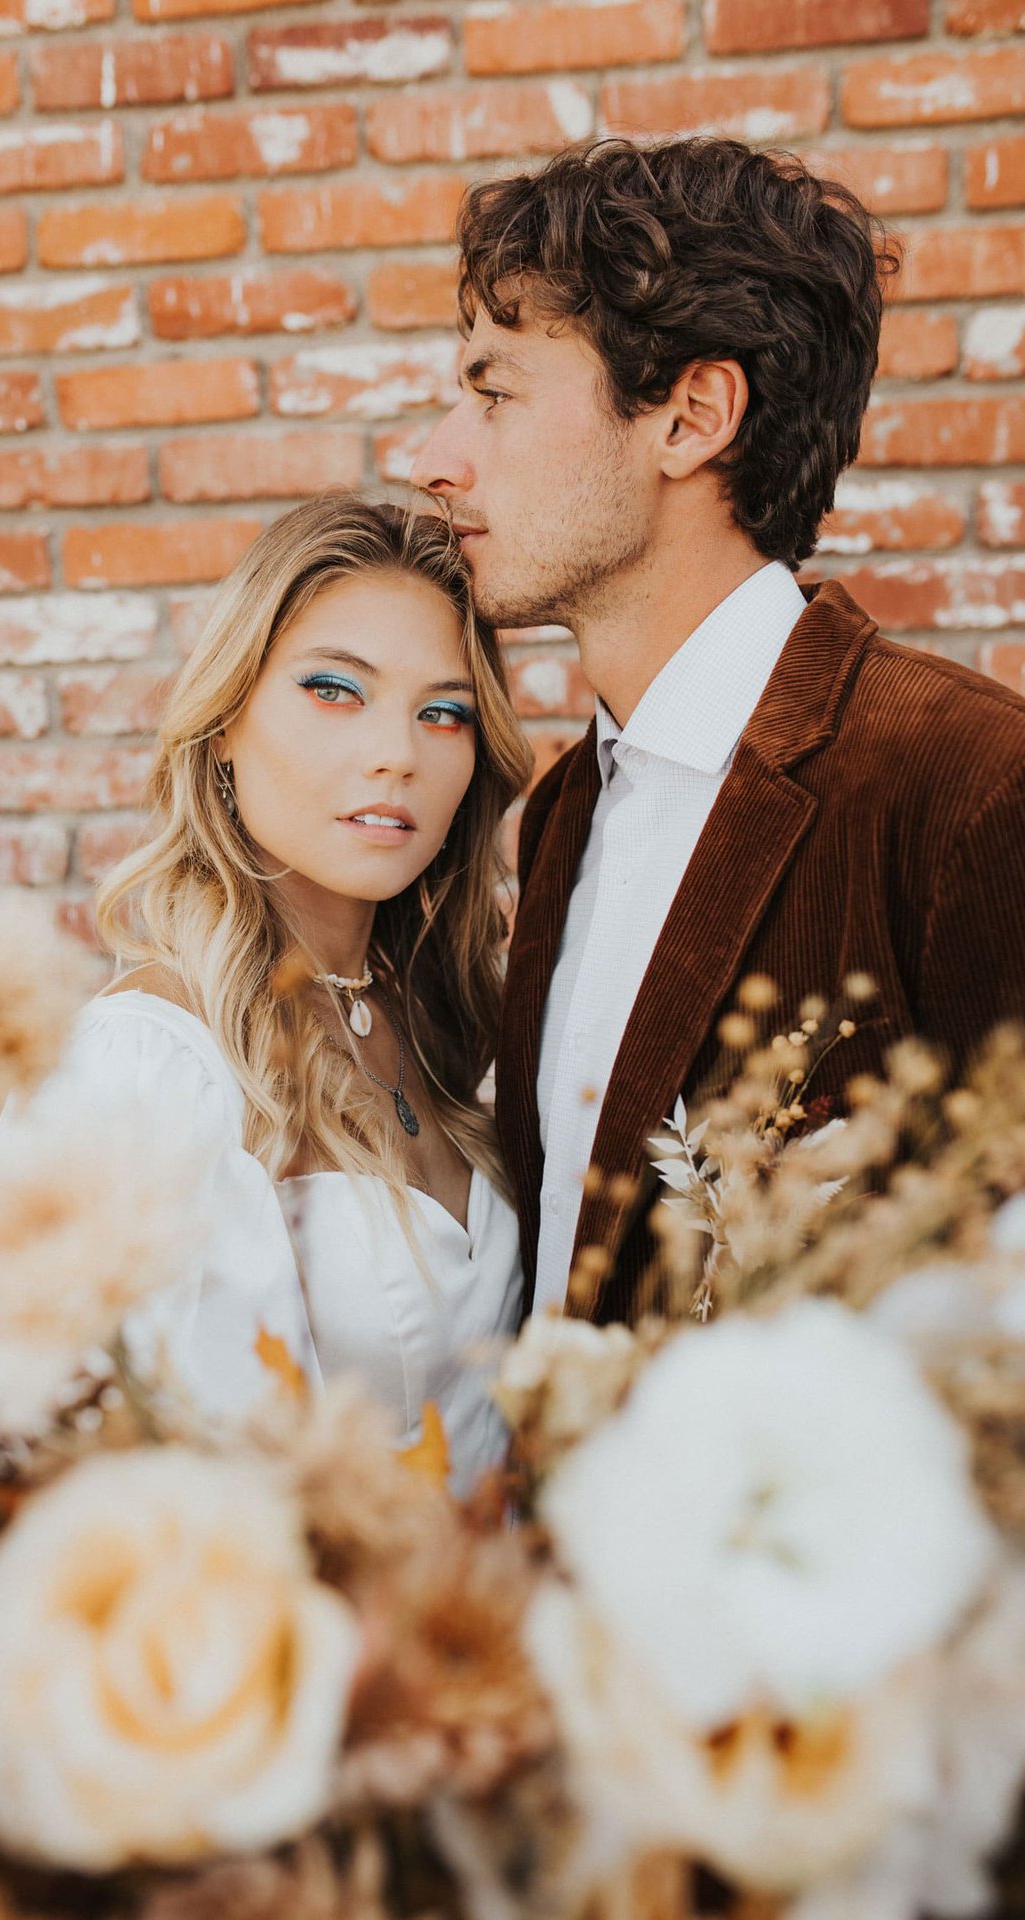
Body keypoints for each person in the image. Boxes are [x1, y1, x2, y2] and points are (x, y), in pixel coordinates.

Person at [410, 136, 1025, 1327]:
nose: (432, 459)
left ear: (690, 417)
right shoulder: (560, 816)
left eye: (492, 391)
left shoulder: (970, 786)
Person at [0, 495, 533, 1494]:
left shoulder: (458, 1025)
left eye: (442, 711)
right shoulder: (142, 1072)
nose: (396, 754)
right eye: (335, 689)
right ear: (224, 723)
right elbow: (35, 1461)